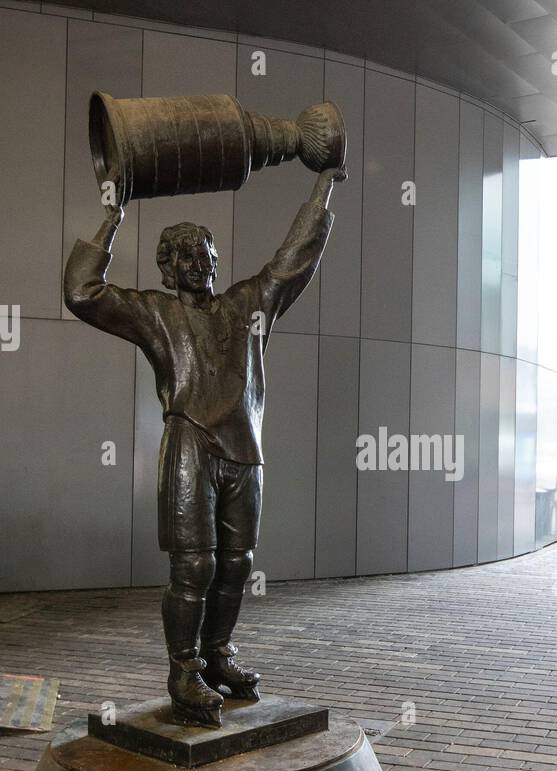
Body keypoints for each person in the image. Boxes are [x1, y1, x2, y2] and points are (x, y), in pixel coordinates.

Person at [65, 164, 348, 726]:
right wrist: (112, 218)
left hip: (245, 452)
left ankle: (217, 654)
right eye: (185, 256)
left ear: (217, 261)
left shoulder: (248, 306)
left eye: (205, 253)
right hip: (191, 445)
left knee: (237, 565)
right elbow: (82, 292)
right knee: (193, 567)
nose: (198, 263)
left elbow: (293, 261)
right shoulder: (156, 313)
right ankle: (184, 669)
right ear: (168, 270)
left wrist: (325, 183)